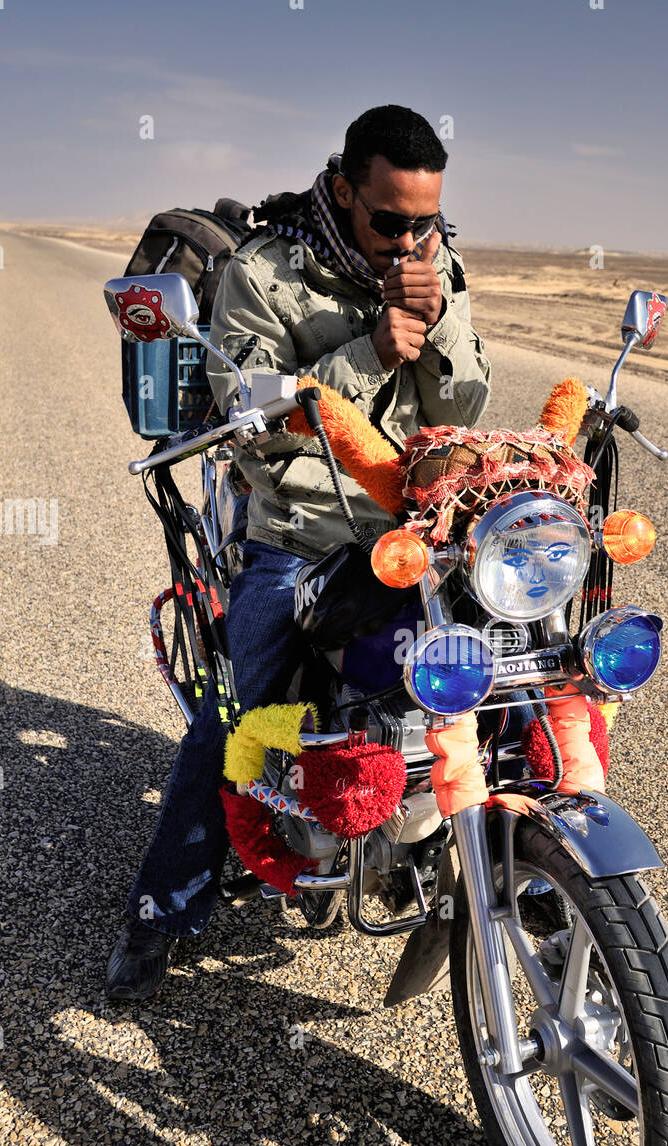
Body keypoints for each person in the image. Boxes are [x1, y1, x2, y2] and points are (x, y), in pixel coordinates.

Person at [105, 105, 492, 1001]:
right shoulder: (265, 271)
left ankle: (521, 869)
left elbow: (463, 409)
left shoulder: (441, 268)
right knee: (237, 709)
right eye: (388, 220)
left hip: (418, 526)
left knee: (519, 659)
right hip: (301, 530)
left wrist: (431, 332)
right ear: (345, 188)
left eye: (423, 221)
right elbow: (246, 411)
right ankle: (161, 915)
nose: (408, 239)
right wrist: (369, 348)